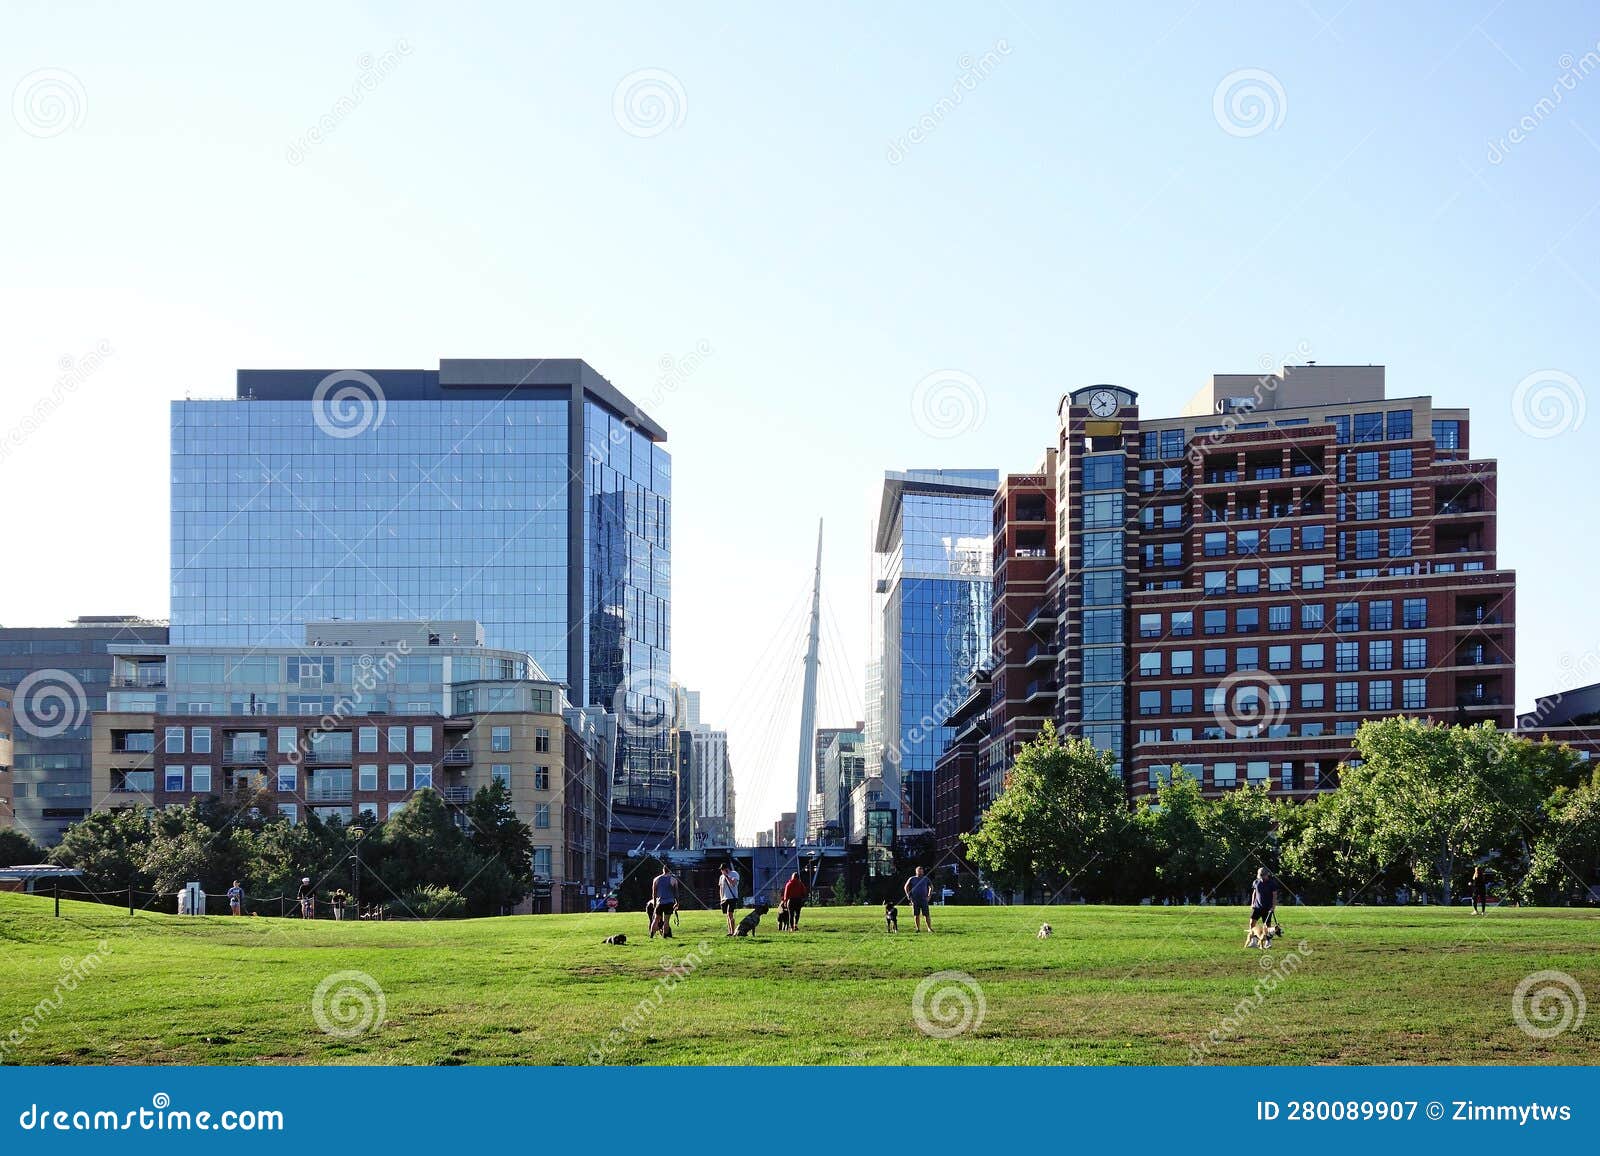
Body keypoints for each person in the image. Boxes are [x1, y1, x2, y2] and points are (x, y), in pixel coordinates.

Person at [1246, 867, 1279, 947]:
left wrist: (1273, 906)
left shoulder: (1272, 883)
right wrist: (1252, 903)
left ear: (1267, 875)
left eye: (1263, 875)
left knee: (1268, 926)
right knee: (1252, 923)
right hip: (1257, 907)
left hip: (1267, 908)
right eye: (1260, 875)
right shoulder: (1256, 882)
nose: (1262, 877)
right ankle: (1253, 941)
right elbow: (1254, 893)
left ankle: (1268, 942)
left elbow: (1274, 895)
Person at [649, 865, 678, 939]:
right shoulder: (673, 880)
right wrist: (677, 903)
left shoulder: (656, 879)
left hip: (660, 902)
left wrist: (655, 903)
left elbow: (654, 893)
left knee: (656, 919)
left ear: (663, 870)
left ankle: (652, 935)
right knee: (666, 921)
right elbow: (676, 893)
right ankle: (664, 936)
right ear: (670, 871)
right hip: (669, 902)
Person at [905, 866, 934, 932]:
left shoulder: (926, 879)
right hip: (915, 899)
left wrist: (929, 896)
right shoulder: (912, 878)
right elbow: (906, 886)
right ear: (916, 872)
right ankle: (918, 929)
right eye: (919, 871)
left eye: (921, 871)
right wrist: (908, 895)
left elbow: (931, 887)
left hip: (924, 899)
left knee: (926, 915)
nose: (920, 873)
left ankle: (929, 928)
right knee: (916, 914)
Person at [718, 861, 742, 936]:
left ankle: (733, 932)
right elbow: (721, 888)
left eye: (723, 869)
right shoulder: (721, 877)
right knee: (727, 915)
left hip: (732, 897)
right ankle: (730, 931)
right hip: (725, 898)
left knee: (730, 914)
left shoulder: (734, 874)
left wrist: (727, 876)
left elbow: (733, 884)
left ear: (726, 869)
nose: (722, 871)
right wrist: (721, 898)